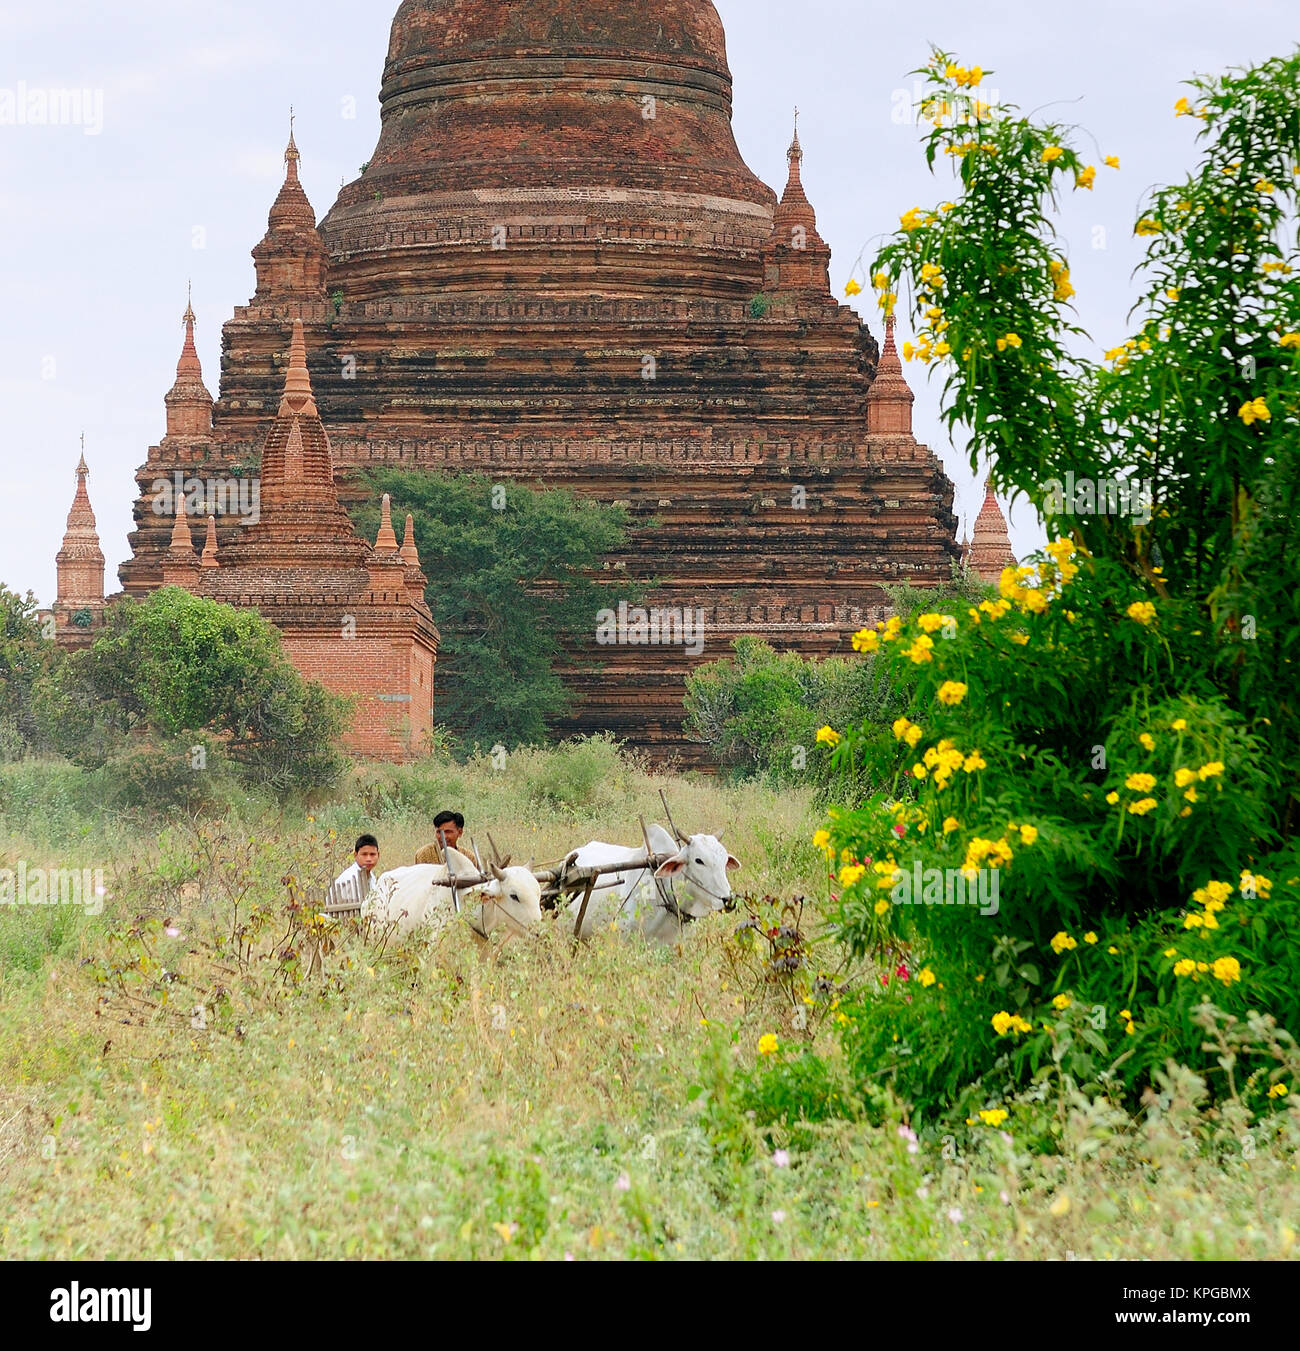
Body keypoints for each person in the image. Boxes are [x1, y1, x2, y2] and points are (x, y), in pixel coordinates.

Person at [327, 834, 380, 906]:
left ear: (378, 855)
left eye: (372, 854)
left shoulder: (372, 878)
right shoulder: (349, 878)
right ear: (355, 855)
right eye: (364, 854)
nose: (368, 859)